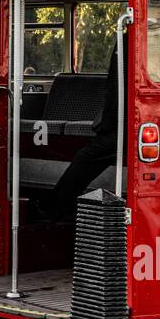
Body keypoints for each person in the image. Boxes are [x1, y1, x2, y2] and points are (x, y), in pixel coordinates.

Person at [42, 61, 122, 220]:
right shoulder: (123, 45)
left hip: (120, 123)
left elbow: (116, 89)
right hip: (118, 120)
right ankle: (56, 206)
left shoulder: (124, 45)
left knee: (86, 157)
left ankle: (55, 207)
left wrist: (108, 123)